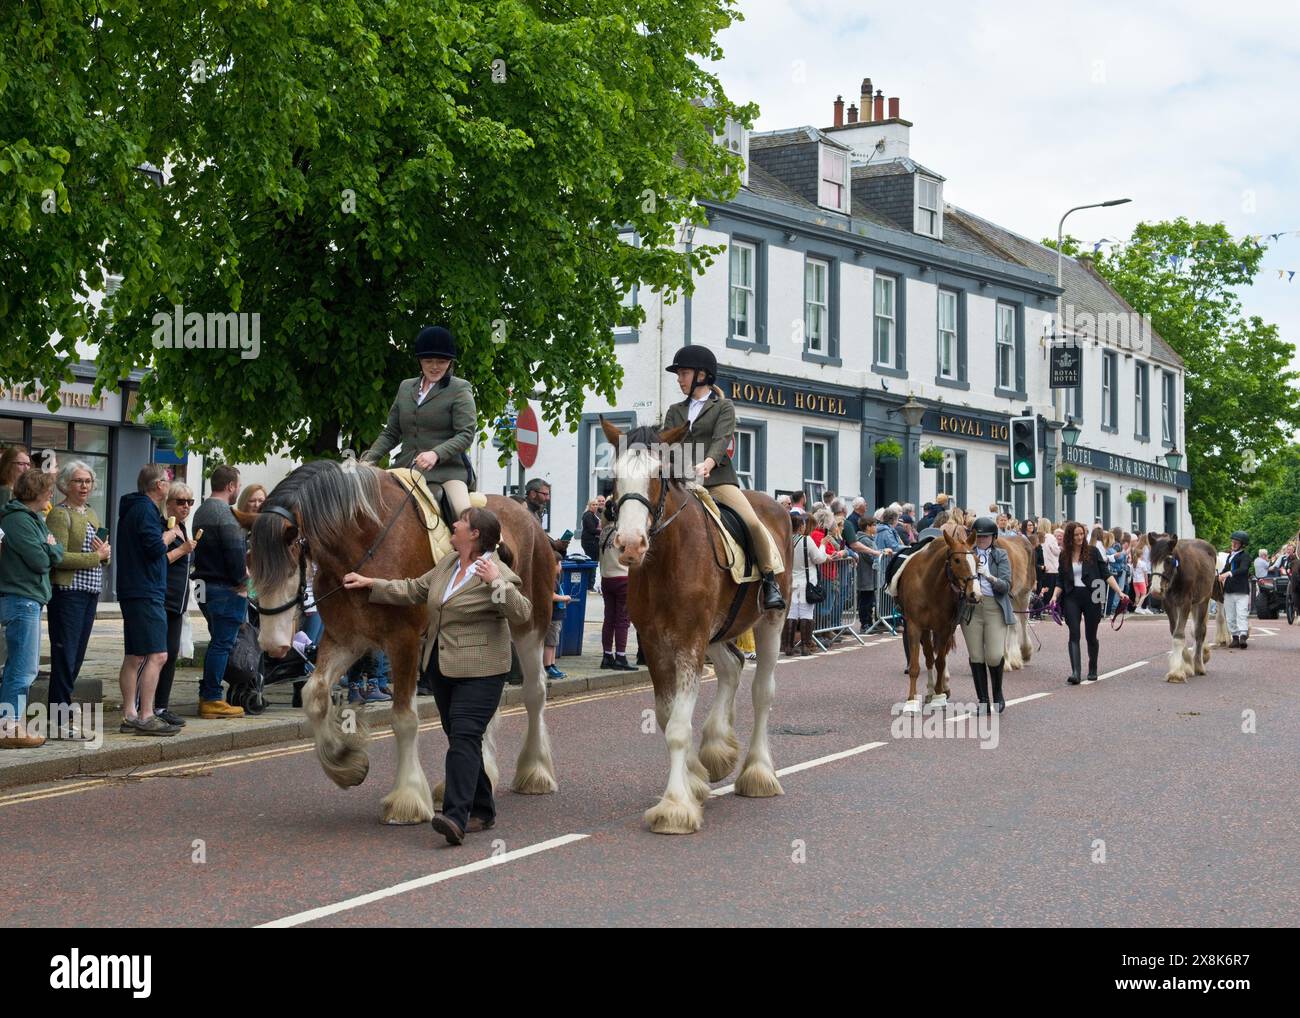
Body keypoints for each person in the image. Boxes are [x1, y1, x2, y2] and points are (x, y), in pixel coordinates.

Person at [343, 507, 532, 845]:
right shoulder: (447, 564)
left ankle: (456, 817)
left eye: (460, 522)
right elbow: (415, 589)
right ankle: (484, 809)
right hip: (441, 667)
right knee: (461, 739)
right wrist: (371, 583)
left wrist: (497, 584)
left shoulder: (495, 569)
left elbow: (521, 612)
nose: (454, 525)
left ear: (473, 534)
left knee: (463, 736)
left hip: (482, 671)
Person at [662, 346, 785, 611]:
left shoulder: (723, 407)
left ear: (702, 375)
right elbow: (667, 443)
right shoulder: (674, 411)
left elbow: (722, 439)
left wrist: (708, 462)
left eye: (683, 373)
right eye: (679, 374)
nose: (679, 379)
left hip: (717, 481)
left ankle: (769, 580)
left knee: (752, 523)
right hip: (683, 483)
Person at [361, 324, 476, 521]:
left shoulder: (459, 389)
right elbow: (391, 432)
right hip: (405, 469)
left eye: (441, 361)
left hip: (446, 472)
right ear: (420, 361)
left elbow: (466, 434)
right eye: (428, 360)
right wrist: (367, 461)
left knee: (465, 517)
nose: (434, 366)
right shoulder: (406, 387)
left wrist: (436, 454)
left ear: (450, 362)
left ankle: (488, 552)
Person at [115, 465, 185, 735]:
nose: (170, 485)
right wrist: (169, 535)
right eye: (168, 481)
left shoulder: (135, 508)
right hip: (145, 590)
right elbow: (154, 547)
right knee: (158, 655)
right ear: (158, 485)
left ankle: (130, 714)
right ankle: (146, 715)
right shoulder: (145, 510)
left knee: (135, 656)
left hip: (134, 589)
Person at [45, 461, 112, 737]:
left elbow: (100, 555)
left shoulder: (92, 513)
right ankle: (57, 719)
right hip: (67, 592)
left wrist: (104, 557)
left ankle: (62, 713)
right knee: (65, 656)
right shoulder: (60, 515)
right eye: (78, 481)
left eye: (88, 481)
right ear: (65, 484)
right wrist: (95, 558)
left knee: (77, 657)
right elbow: (57, 557)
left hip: (89, 592)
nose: (84, 486)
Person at [0, 469, 64, 746]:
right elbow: (41, 560)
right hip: (22, 599)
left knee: (20, 665)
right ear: (36, 492)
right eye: (48, 489)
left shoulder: (33, 519)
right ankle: (8, 727)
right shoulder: (19, 521)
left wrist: (50, 548)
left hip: (28, 599)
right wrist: (49, 548)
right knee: (23, 668)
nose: (51, 494)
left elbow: (56, 550)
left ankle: (10, 722)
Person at [191, 465, 249, 719]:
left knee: (217, 640)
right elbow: (235, 553)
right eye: (237, 485)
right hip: (225, 588)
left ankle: (210, 693)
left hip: (203, 586)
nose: (238, 489)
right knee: (222, 644)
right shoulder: (227, 515)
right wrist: (243, 583)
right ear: (230, 486)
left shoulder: (201, 511)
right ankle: (212, 698)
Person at [1051, 521, 1129, 684]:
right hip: (1071, 596)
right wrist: (1054, 596)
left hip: (1094, 594)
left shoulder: (1093, 552)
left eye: (1081, 534)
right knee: (1074, 633)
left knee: (1091, 635)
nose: (1080, 537)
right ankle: (1076, 673)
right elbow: (1060, 579)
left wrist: (1119, 592)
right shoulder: (1064, 555)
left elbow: (1106, 574)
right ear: (1069, 537)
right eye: (1076, 535)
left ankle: (1092, 668)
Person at [157, 482, 200, 727]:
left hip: (178, 602)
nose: (186, 507)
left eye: (189, 502)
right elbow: (158, 560)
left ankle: (162, 706)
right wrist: (183, 549)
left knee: (172, 654)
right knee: (158, 655)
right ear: (169, 503)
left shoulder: (184, 527)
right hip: (162, 599)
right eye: (180, 502)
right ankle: (148, 706)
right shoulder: (164, 528)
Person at [962, 517, 1015, 713]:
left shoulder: (1000, 555)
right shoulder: (968, 554)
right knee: (976, 655)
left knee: (994, 655)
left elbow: (1006, 586)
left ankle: (998, 693)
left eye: (986, 536)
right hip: (972, 609)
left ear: (993, 537)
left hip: (994, 607)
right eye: (979, 536)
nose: (982, 540)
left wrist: (989, 576)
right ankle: (983, 700)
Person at [788, 511, 829, 656]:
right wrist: (823, 545)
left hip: (791, 581)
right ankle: (806, 646)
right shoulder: (807, 540)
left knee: (791, 613)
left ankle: (788, 646)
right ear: (800, 527)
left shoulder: (785, 540)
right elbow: (818, 558)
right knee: (806, 613)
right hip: (807, 581)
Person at [598, 522, 636, 670]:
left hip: (606, 577)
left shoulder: (604, 531)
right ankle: (620, 656)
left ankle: (607, 656)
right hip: (623, 578)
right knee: (622, 620)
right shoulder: (624, 531)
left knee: (609, 619)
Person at [1219, 531, 1252, 648]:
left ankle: (1243, 636)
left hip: (1241, 590)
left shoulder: (1245, 557)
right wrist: (1218, 576)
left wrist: (1228, 574)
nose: (1233, 544)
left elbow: (1243, 570)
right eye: (1233, 542)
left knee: (1241, 614)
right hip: (1229, 590)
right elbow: (1224, 570)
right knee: (1230, 615)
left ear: (1242, 545)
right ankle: (1235, 637)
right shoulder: (1230, 557)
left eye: (1236, 542)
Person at [543, 555, 570, 680]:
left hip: (557, 616)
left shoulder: (555, 578)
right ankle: (547, 667)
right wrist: (565, 598)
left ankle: (552, 665)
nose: (561, 566)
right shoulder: (551, 579)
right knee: (550, 643)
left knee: (554, 643)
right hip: (552, 616)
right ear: (554, 565)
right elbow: (551, 595)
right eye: (560, 563)